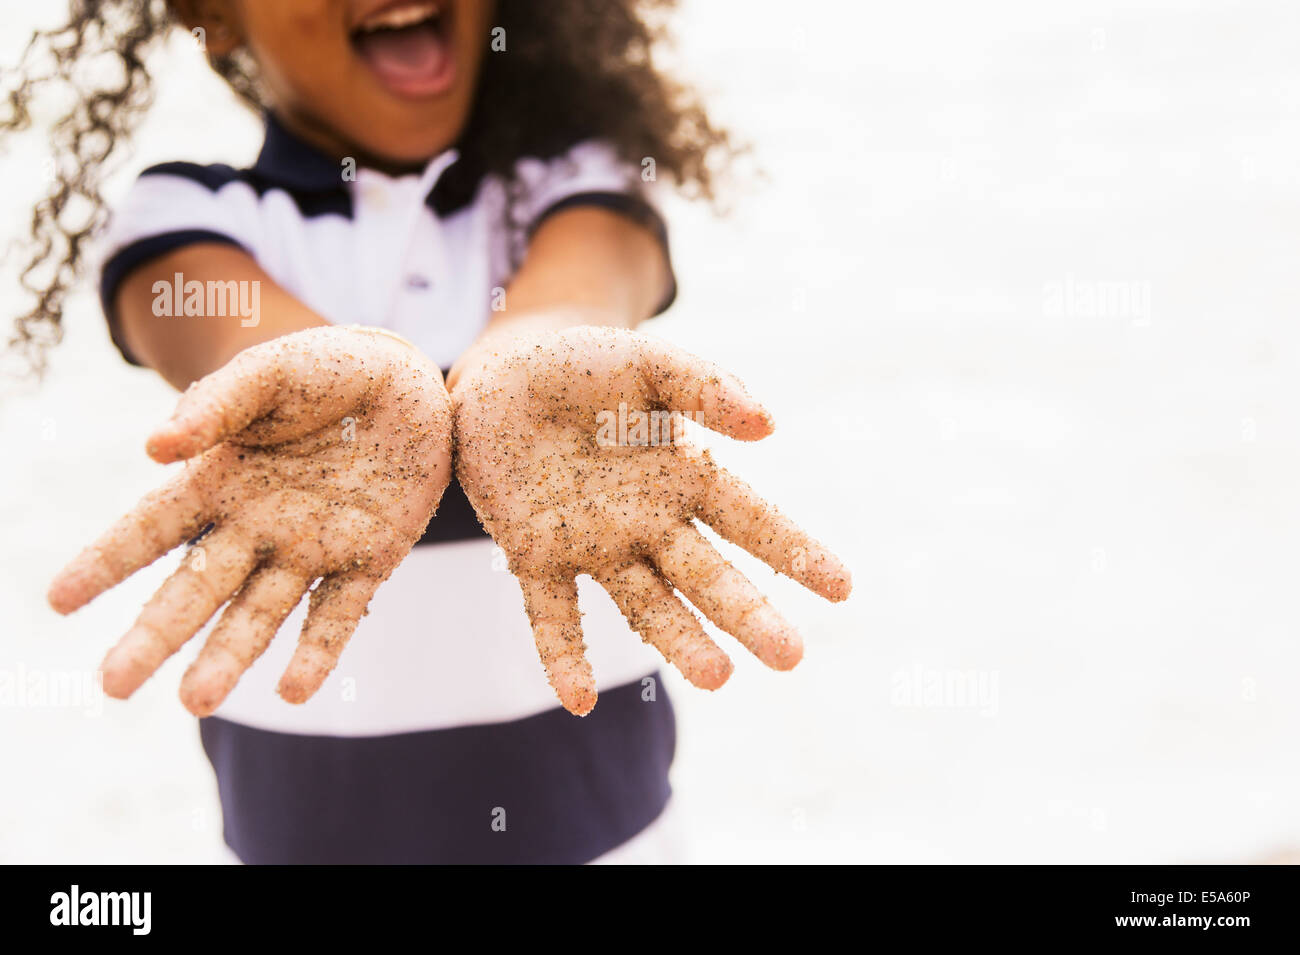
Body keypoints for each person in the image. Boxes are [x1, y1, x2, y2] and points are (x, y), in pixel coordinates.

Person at [7, 0, 851, 863]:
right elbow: (223, 329)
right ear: (211, 15)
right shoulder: (188, 212)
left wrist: (526, 361)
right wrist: (324, 393)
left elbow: (578, 290)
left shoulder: (575, 181)